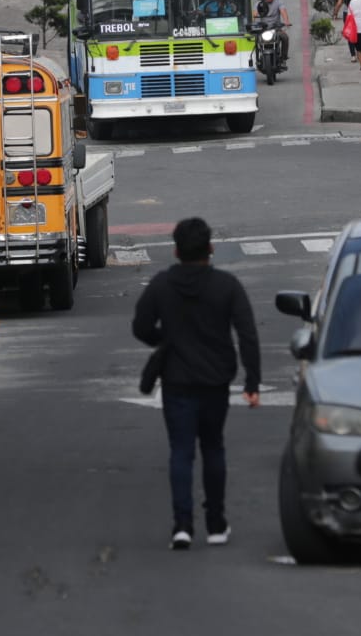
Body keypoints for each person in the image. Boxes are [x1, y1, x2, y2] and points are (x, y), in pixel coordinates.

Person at [132, 218, 261, 549]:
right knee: (213, 446)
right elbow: (247, 334)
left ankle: (182, 525)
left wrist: (165, 340)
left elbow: (141, 326)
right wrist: (252, 381)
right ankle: (216, 523)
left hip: (176, 380)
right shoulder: (227, 286)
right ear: (211, 249)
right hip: (216, 381)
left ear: (176, 251)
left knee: (181, 450)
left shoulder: (161, 285)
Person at [257, 0, 291, 66]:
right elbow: (254, 13)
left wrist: (286, 21)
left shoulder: (278, 2)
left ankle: (283, 59)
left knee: (285, 37)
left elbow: (283, 11)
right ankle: (257, 59)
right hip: (263, 29)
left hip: (276, 28)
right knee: (254, 40)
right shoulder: (259, 3)